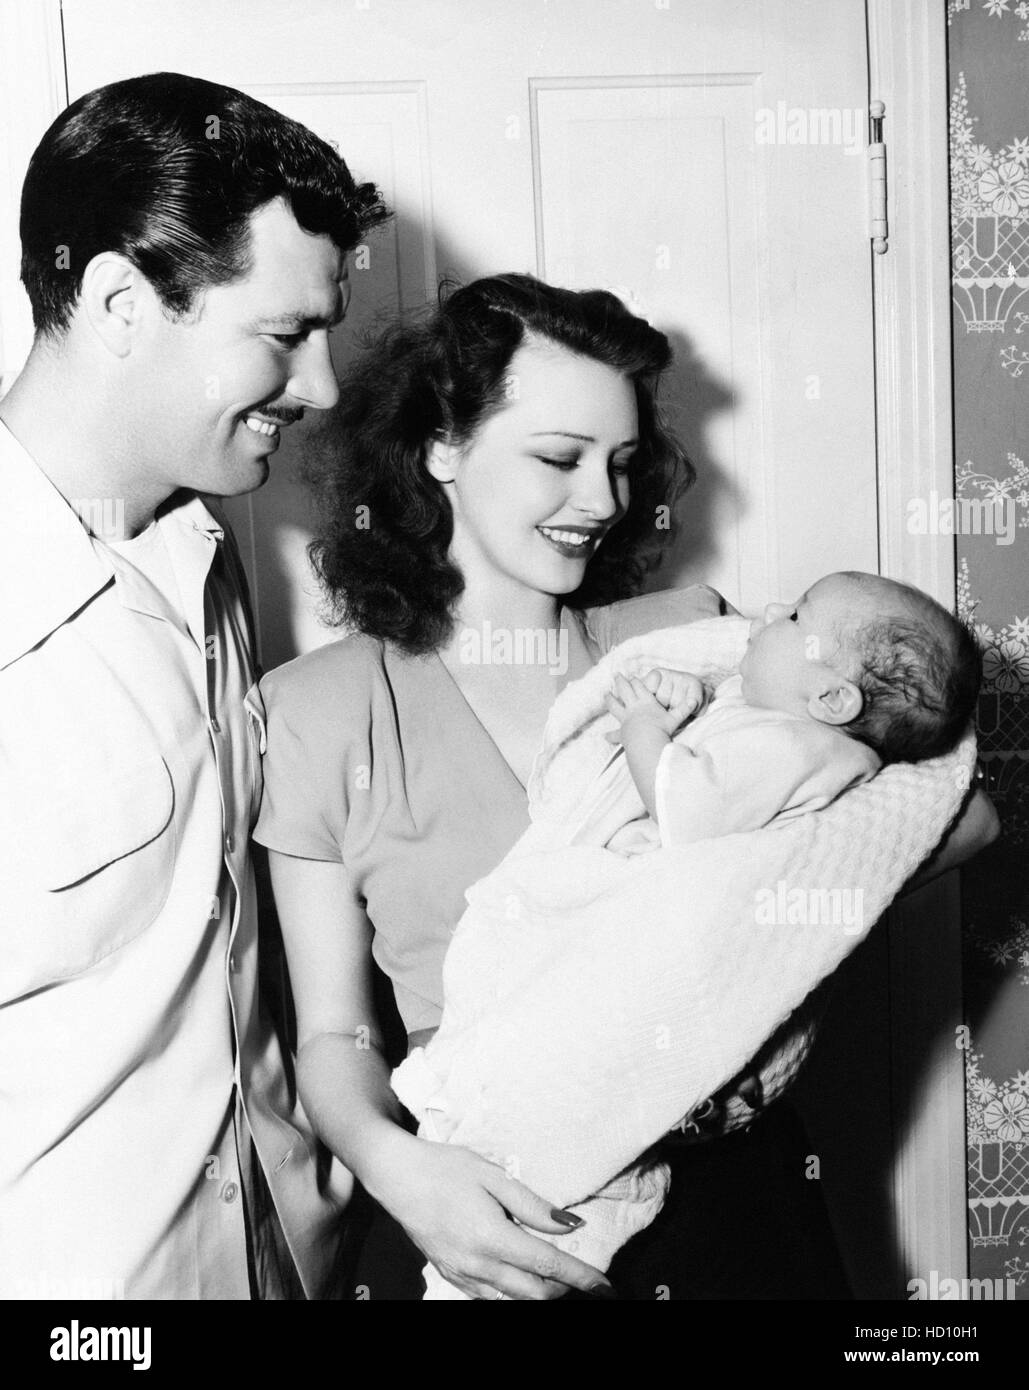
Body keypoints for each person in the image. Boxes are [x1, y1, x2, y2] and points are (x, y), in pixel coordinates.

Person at [254, 273, 997, 1300]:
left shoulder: (697, 642)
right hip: (498, 1203)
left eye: (620, 462)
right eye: (558, 458)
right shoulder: (319, 710)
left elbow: (954, 810)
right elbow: (334, 1034)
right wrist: (403, 1174)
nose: (603, 501)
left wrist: (755, 915)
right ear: (440, 448)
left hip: (736, 1196)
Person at [0, 72, 388, 1299]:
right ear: (120, 301)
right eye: (282, 335)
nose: (322, 387)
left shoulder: (205, 550)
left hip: (291, 1262)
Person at [389, 570, 982, 1298]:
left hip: (706, 1117)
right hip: (603, 1009)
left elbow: (689, 813)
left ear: (832, 699)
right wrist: (685, 704)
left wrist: (645, 726)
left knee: (574, 1118)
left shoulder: (805, 746)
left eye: (795, 614)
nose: (770, 608)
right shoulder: (767, 711)